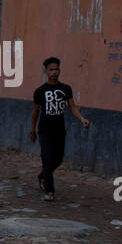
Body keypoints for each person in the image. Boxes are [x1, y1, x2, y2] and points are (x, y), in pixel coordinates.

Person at [28, 56, 90, 201]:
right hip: (44, 130)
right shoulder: (40, 91)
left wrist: (82, 119)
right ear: (46, 72)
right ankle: (49, 191)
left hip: (59, 129)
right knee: (47, 158)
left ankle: (43, 175)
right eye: (51, 70)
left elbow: (72, 106)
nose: (54, 72)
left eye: (56, 69)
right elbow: (35, 111)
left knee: (58, 158)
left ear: (59, 71)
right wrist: (32, 129)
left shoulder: (65, 89)